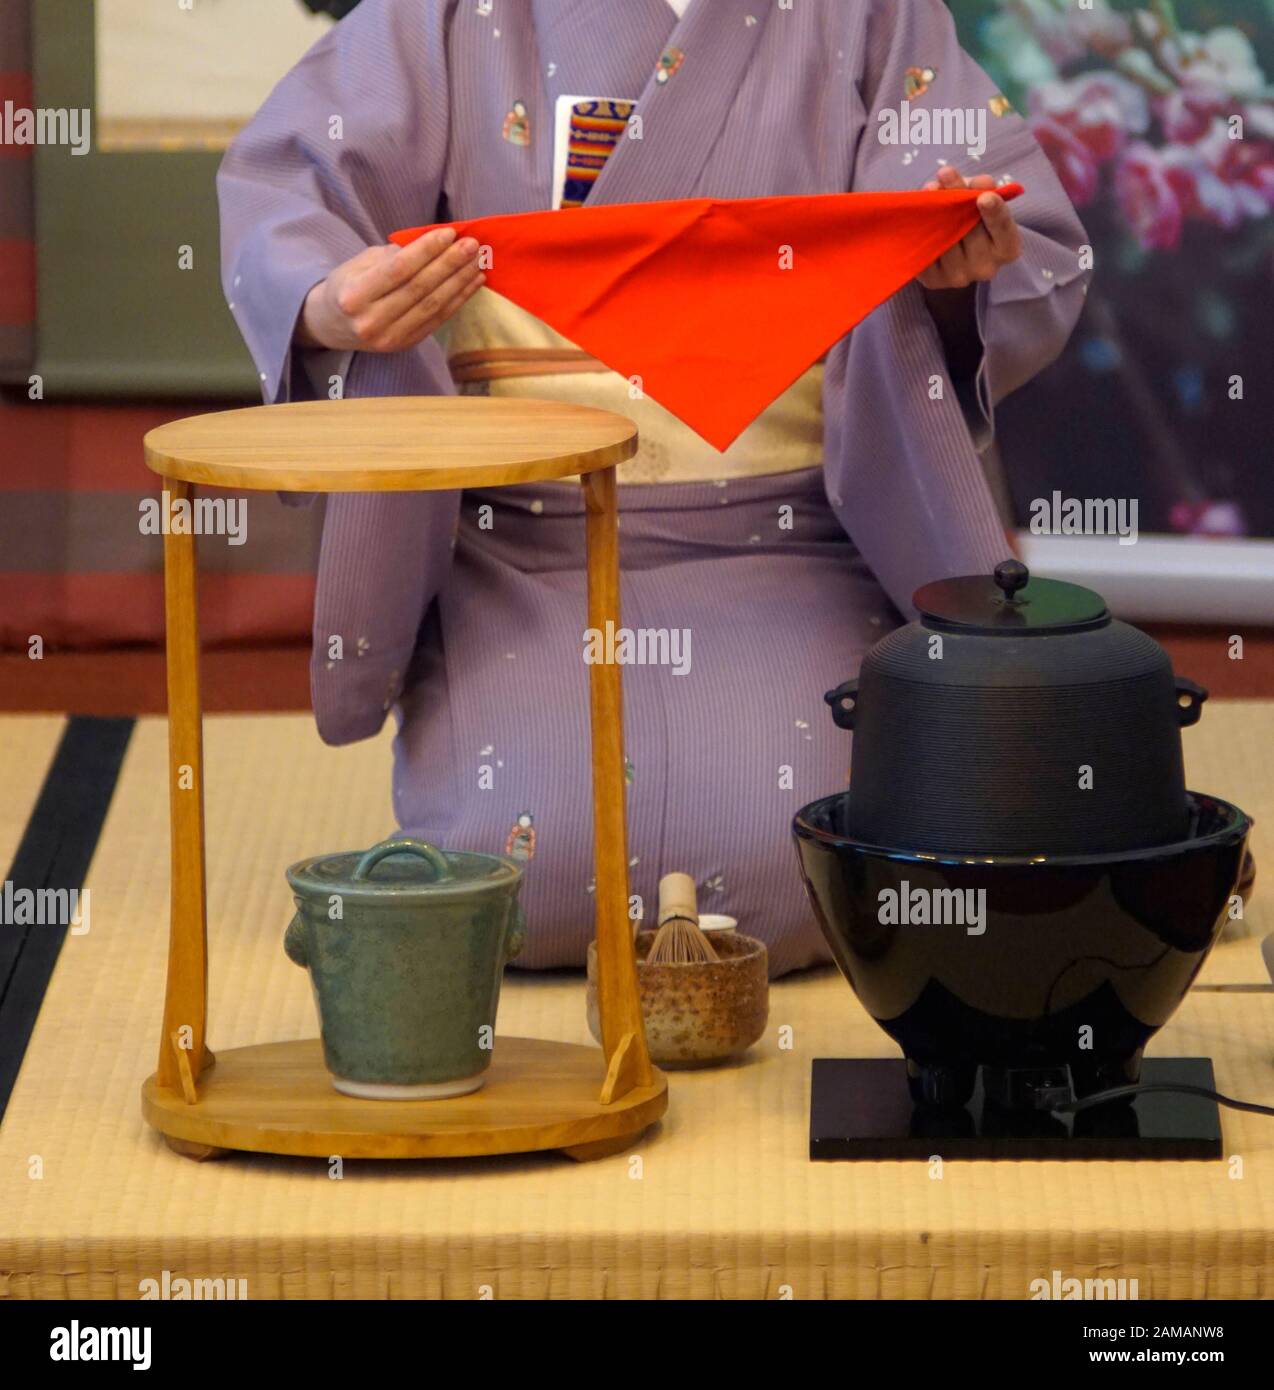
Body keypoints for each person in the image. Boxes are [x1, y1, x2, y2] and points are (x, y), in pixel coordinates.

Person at [219, 0, 1088, 975]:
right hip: (522, 536)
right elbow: (284, 190)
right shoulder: (447, 16)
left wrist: (949, 269)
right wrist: (328, 301)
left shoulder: (865, 14)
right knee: (526, 855)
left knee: (808, 849)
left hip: (787, 534)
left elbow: (998, 221)